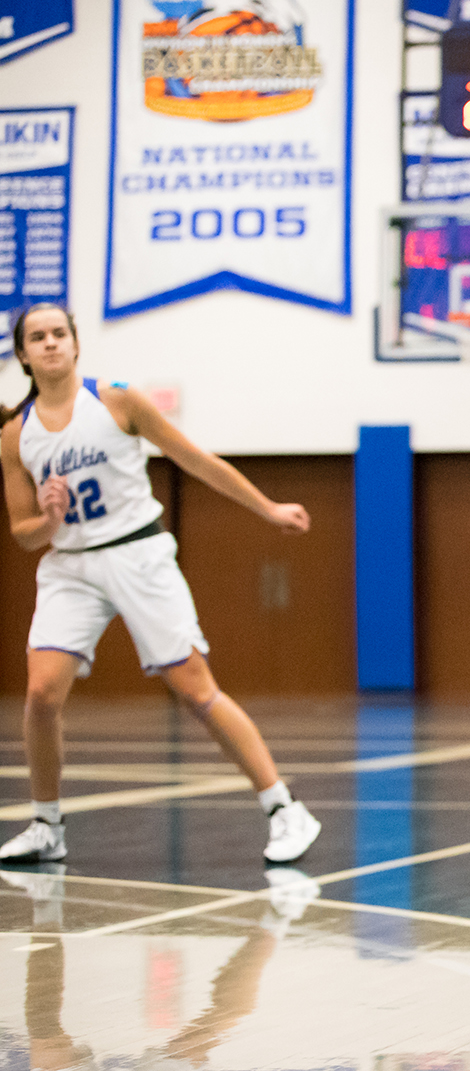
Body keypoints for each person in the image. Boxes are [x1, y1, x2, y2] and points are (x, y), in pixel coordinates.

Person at [0, 304, 322, 866]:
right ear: (23, 354)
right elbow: (24, 534)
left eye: (59, 334)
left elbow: (196, 460)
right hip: (70, 566)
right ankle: (47, 826)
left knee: (196, 689)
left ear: (76, 344)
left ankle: (285, 807)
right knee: (41, 695)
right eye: (37, 337)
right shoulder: (14, 433)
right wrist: (48, 520)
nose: (51, 343)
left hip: (138, 554)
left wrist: (267, 508)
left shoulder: (119, 399)